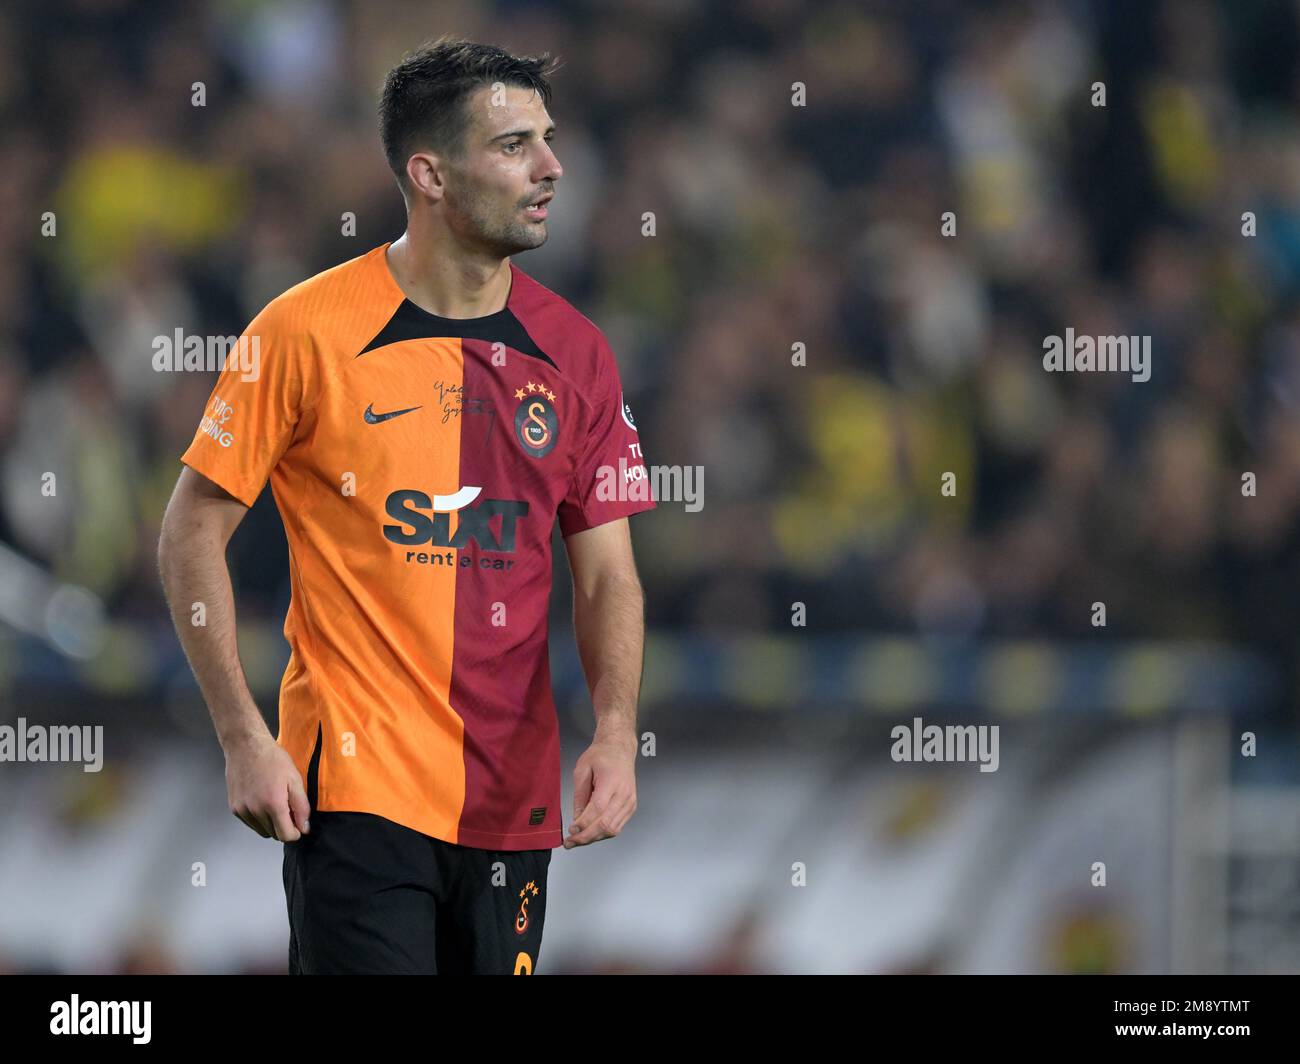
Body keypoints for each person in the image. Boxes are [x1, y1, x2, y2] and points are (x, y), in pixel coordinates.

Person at [157, 36, 655, 974]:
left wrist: (619, 732)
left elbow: (609, 573)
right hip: (355, 790)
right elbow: (191, 529)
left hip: (512, 801)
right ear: (428, 174)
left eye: (547, 141)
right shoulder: (303, 331)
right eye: (514, 147)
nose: (552, 167)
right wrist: (242, 734)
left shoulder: (578, 352)